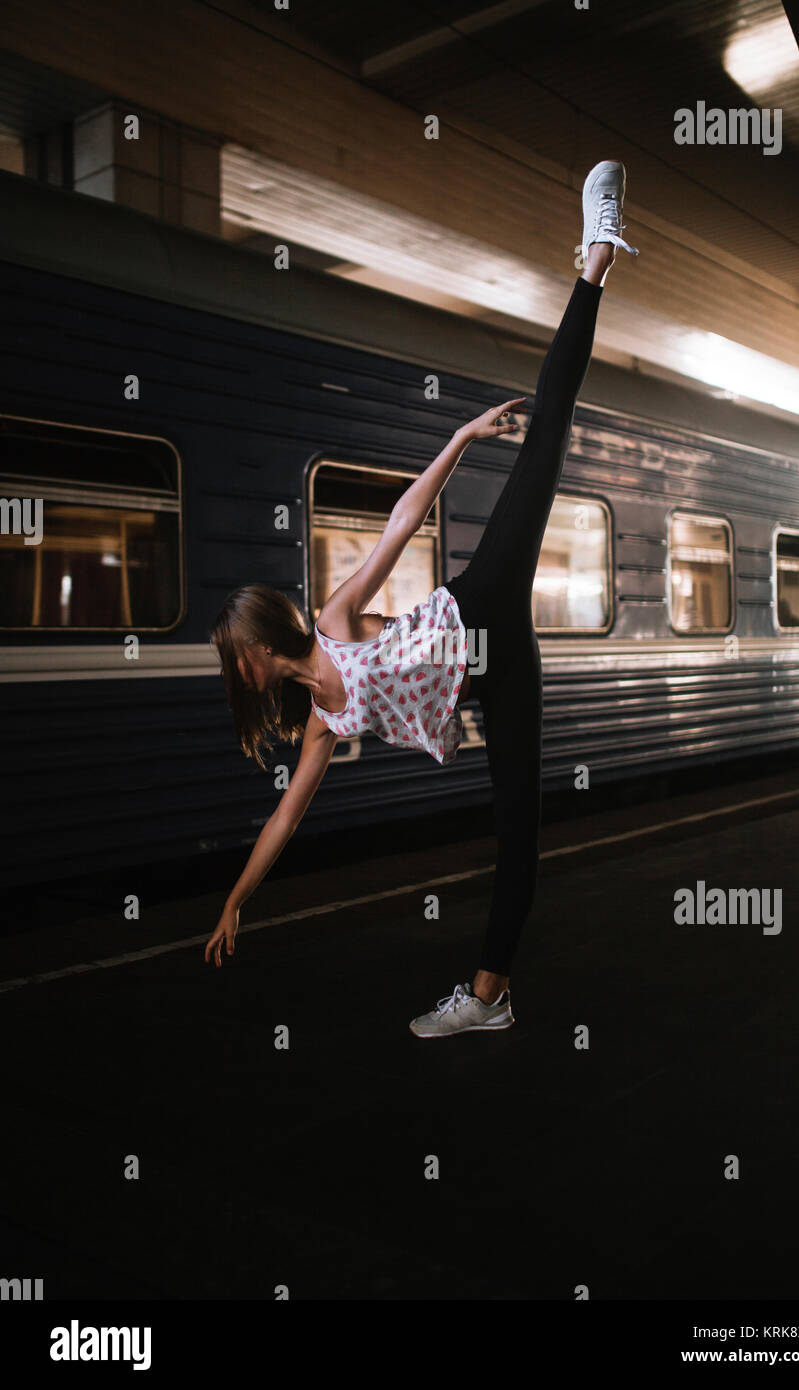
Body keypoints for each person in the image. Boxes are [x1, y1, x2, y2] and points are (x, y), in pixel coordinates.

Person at [205, 160, 639, 1037]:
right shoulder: (320, 723)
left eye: (234, 661)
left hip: (474, 609)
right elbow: (284, 820)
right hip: (492, 676)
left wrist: (460, 436)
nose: (239, 676)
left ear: (257, 645)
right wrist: (236, 898)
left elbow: (404, 520)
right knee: (522, 831)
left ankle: (594, 258)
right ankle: (488, 997)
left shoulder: (331, 621)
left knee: (542, 445)